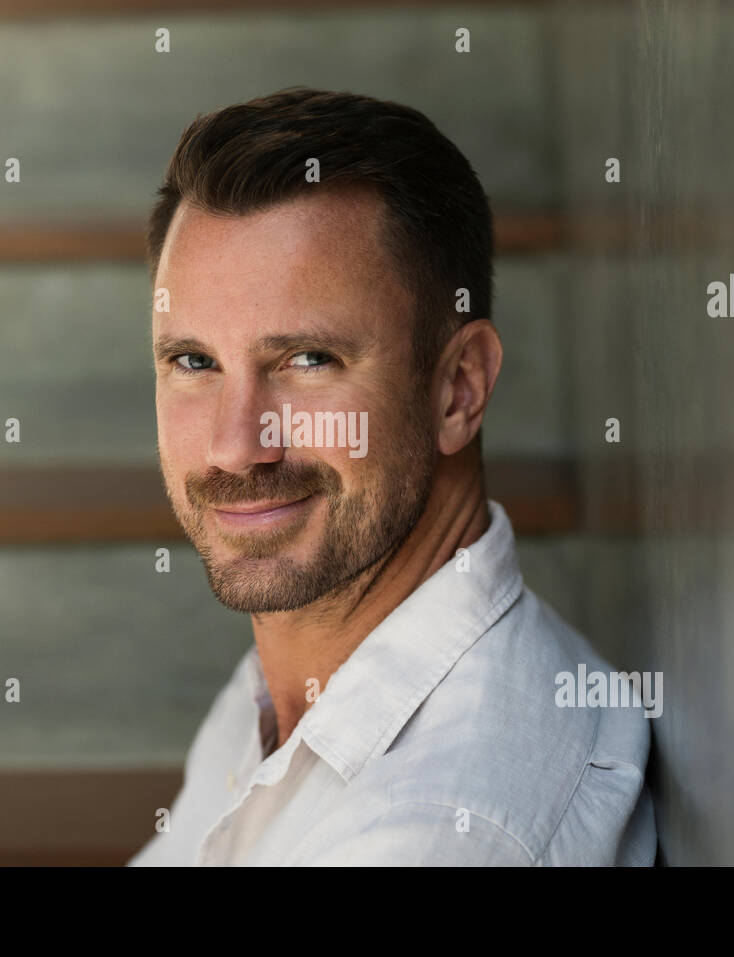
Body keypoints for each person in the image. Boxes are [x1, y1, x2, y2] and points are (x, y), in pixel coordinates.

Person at [130, 87, 655, 865]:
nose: (237, 447)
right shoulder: (304, 668)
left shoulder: (439, 832)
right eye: (194, 361)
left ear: (459, 387)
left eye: (309, 361)